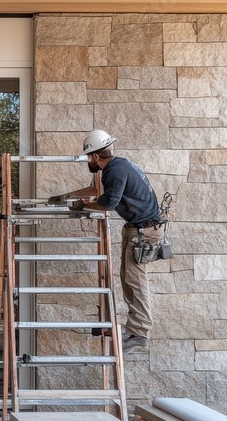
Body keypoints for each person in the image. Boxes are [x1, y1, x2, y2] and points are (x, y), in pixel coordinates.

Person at [48, 129, 163, 352]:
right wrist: (65, 197)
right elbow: (99, 192)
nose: (87, 161)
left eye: (87, 157)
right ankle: (137, 330)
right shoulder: (118, 166)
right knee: (129, 280)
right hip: (141, 229)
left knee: (135, 282)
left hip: (143, 232)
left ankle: (139, 333)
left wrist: (84, 206)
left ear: (94, 156)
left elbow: (108, 203)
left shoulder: (114, 171)